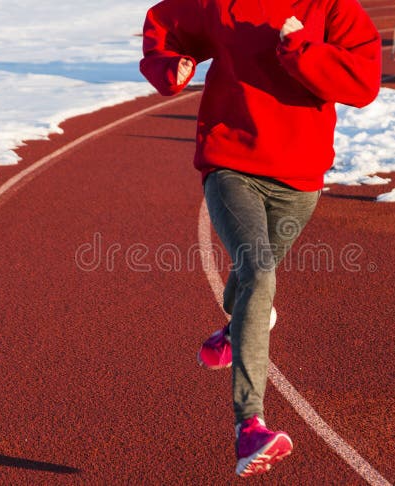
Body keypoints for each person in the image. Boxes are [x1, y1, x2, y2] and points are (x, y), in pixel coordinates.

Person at [140, 0, 380, 477]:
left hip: (300, 179)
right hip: (231, 163)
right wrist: (171, 67)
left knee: (253, 284)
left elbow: (363, 84)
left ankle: (236, 329)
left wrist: (301, 48)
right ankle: (250, 425)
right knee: (259, 272)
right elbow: (163, 26)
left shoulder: (333, 7)